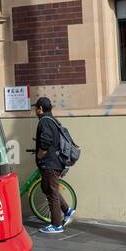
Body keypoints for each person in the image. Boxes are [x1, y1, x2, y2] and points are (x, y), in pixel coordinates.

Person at [33, 96, 73, 234]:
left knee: (52, 192)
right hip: (55, 162)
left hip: (50, 163)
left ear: (41, 109)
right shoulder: (53, 120)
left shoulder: (44, 121)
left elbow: (46, 140)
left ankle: (57, 225)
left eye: (36, 109)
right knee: (47, 188)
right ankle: (67, 210)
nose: (35, 111)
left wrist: (40, 154)